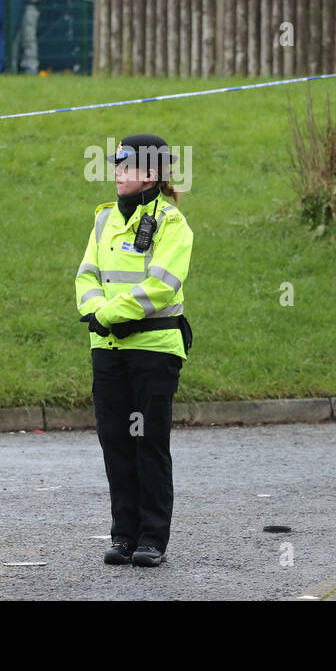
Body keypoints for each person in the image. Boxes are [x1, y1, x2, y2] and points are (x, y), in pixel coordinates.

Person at [75, 133, 193, 568]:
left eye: (125, 165)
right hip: (107, 350)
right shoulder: (104, 220)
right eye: (117, 164)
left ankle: (152, 539)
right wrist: (95, 309)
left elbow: (161, 286)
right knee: (116, 443)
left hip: (154, 350)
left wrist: (108, 313)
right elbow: (85, 276)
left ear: (151, 174)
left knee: (149, 443)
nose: (117, 172)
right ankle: (123, 536)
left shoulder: (173, 225)